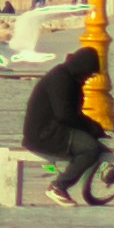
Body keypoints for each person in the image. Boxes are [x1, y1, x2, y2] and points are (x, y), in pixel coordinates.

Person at [16, 40, 106, 204]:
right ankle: (59, 186)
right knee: (90, 148)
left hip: (54, 129)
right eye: (89, 74)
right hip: (45, 133)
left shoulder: (68, 76)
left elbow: (72, 114)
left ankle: (67, 175)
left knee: (92, 139)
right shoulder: (61, 79)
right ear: (82, 69)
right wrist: (89, 127)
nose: (88, 79)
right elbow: (64, 114)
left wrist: (93, 127)